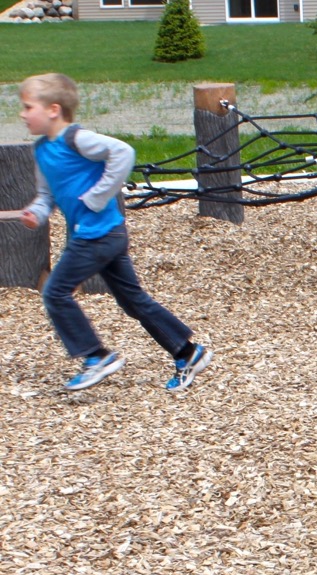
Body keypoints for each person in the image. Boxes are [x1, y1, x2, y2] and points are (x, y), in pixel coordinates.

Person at [4, 73, 212, 392]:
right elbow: (47, 195)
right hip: (100, 235)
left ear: (53, 110)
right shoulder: (41, 150)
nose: (22, 113)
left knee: (55, 292)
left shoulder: (77, 139)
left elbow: (124, 153)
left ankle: (95, 356)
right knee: (132, 300)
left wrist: (98, 195)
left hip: (96, 236)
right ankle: (187, 352)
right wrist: (37, 213)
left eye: (28, 106)